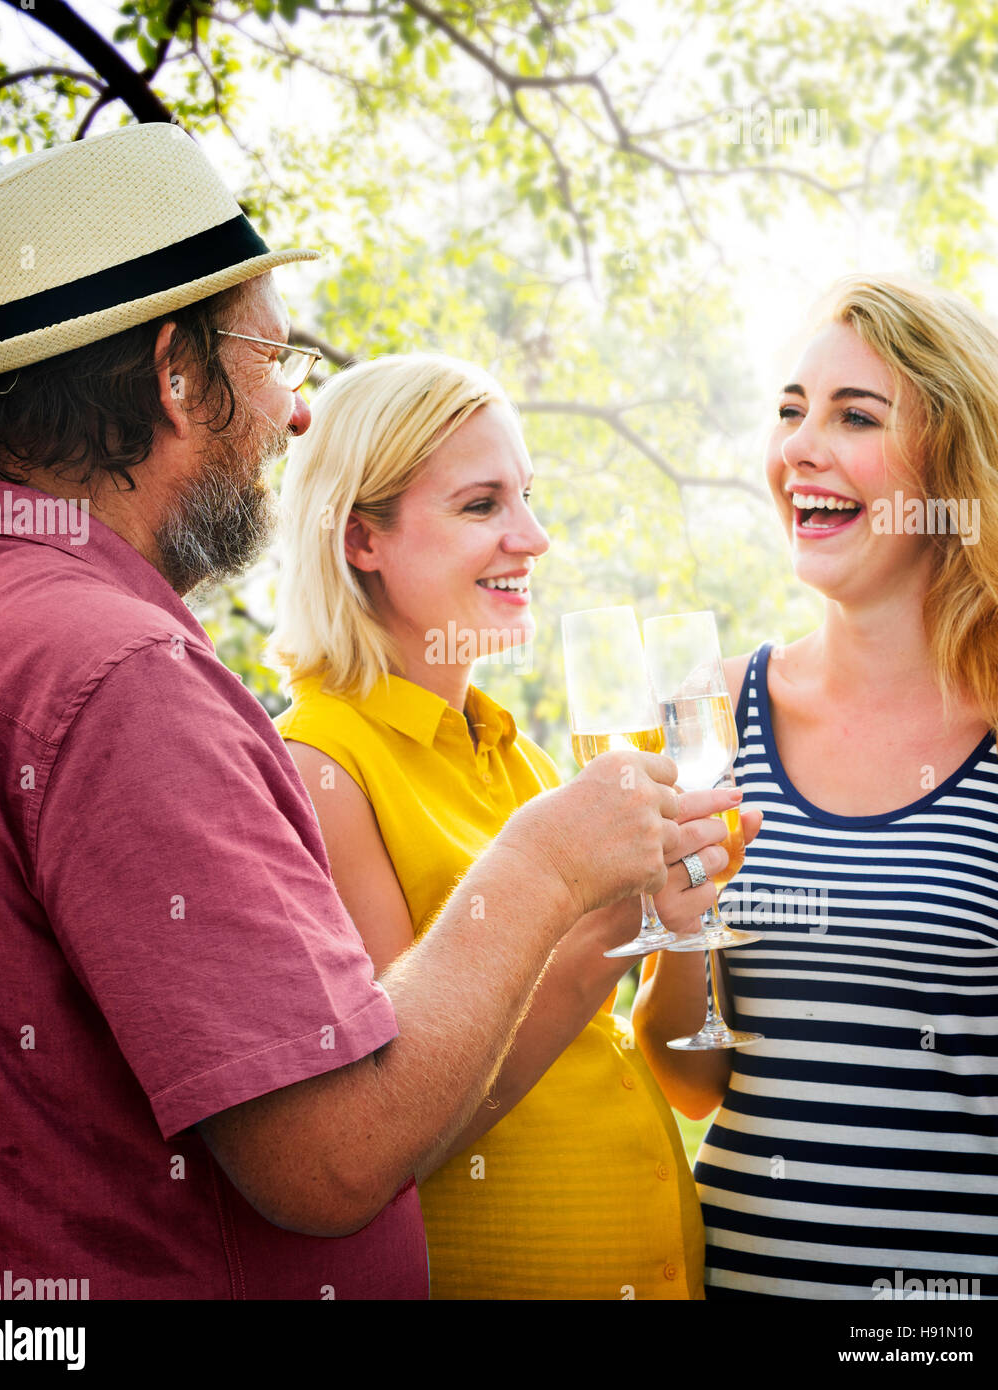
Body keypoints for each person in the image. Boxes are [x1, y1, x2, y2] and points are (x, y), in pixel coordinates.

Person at [0, 123, 684, 1300]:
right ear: (178, 375)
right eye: (271, 357)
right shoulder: (121, 676)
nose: (293, 414)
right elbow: (330, 1161)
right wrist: (544, 869)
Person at [266, 352, 762, 1298]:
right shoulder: (321, 768)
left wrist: (673, 912)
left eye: (528, 497)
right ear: (360, 538)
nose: (532, 538)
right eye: (481, 505)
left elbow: (616, 1047)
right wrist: (616, 922)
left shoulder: (517, 757)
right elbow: (400, 1121)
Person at [635, 274, 998, 1300]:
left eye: (856, 415)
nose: (801, 446)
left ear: (955, 460)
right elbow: (690, 1075)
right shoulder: (711, 713)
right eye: (790, 411)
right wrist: (679, 935)